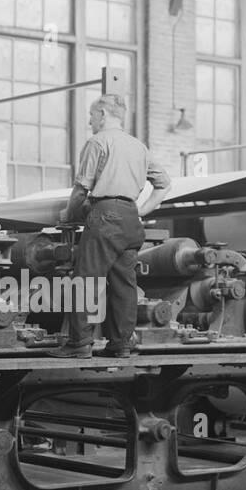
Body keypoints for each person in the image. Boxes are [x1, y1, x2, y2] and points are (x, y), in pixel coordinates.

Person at [48, 94, 171, 359]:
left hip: (105, 217)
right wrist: (141, 210)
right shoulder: (139, 147)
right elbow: (164, 184)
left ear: (103, 114)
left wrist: (69, 217)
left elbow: (82, 189)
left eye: (92, 115)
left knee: (87, 280)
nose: (90, 121)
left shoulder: (98, 142)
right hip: (131, 219)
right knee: (124, 284)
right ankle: (121, 344)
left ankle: (79, 343)